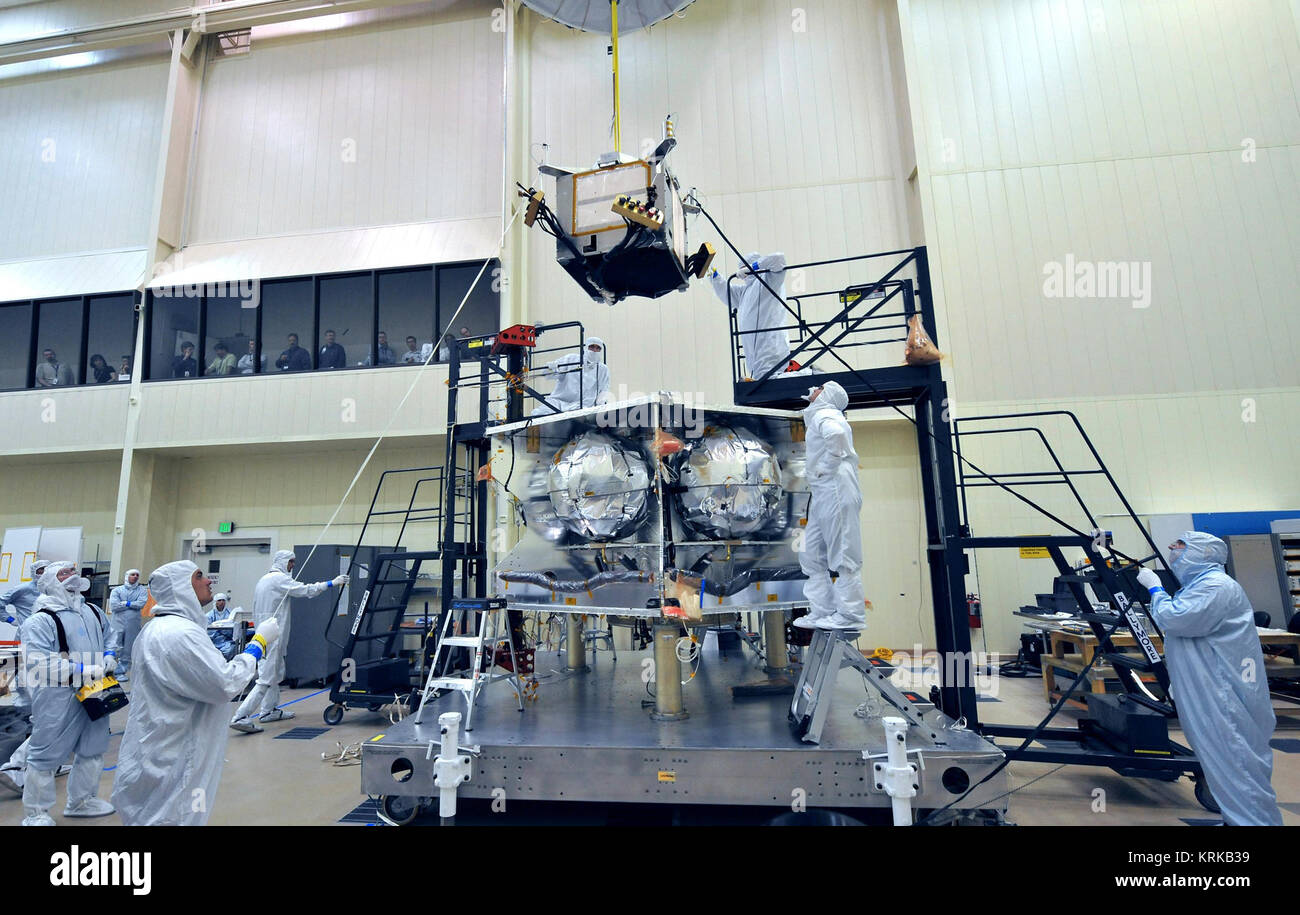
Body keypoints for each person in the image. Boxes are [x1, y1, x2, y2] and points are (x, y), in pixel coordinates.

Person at [111, 561, 280, 826]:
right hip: (176, 751)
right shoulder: (180, 634)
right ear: (180, 587)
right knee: (173, 815)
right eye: (199, 576)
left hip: (158, 744)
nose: (208, 581)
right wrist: (258, 643)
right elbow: (224, 684)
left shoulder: (157, 629)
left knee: (152, 812)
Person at [1136, 532, 1283, 826]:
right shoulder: (1201, 585)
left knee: (1236, 762)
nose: (1172, 549)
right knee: (1223, 762)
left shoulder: (1216, 586)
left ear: (1201, 553)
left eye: (1179, 545)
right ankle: (1236, 820)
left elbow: (1176, 619)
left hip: (1223, 695)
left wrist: (1155, 589)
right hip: (1210, 688)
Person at [19, 561, 115, 825]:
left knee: (93, 746)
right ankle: (36, 813)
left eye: (73, 572)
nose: (71, 577)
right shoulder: (41, 619)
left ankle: (82, 801)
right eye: (63, 573)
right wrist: (82, 669)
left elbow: (110, 636)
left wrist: (109, 655)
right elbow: (39, 661)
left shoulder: (93, 611)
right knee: (45, 754)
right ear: (49, 581)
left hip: (96, 687)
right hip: (57, 694)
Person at [230, 551, 347, 732]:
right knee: (267, 678)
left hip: (266, 635)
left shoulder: (264, 580)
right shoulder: (277, 579)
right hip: (272, 637)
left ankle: (269, 711)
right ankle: (240, 716)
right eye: (291, 562)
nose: (293, 565)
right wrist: (331, 583)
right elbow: (305, 590)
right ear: (282, 562)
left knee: (275, 674)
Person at [792, 382, 865, 631]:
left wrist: (827, 467)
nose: (812, 388)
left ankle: (851, 615)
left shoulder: (827, 414)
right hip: (823, 491)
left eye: (820, 386)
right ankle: (821, 610)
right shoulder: (818, 417)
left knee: (844, 553)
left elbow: (837, 436)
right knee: (810, 551)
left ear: (828, 395)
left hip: (837, 488)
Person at [711, 252, 802, 381]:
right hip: (755, 356)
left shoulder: (769, 279)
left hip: (771, 347)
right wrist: (712, 274)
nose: (743, 274)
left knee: (771, 379)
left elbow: (779, 259)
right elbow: (726, 292)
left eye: (745, 268)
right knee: (765, 379)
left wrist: (753, 267)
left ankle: (810, 373)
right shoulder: (745, 292)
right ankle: (808, 373)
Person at [531, 337, 611, 415]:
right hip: (559, 402)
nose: (594, 350)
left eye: (598, 348)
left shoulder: (602, 369)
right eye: (592, 347)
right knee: (540, 413)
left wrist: (600, 409)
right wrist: (551, 368)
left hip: (583, 406)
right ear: (586, 347)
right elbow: (548, 374)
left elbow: (603, 390)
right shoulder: (571, 359)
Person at [107, 569, 147, 681]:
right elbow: (114, 606)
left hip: (133, 624)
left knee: (128, 648)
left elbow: (141, 604)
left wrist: (126, 603)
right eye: (132, 574)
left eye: (137, 575)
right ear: (127, 576)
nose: (135, 577)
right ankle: (109, 669)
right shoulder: (117, 590)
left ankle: (121, 671)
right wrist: (132, 605)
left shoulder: (142, 590)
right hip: (117, 622)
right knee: (115, 644)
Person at [2, 557, 51, 629]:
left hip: (49, 633)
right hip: (26, 633)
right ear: (34, 571)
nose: (44, 572)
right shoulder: (24, 589)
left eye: (47, 569)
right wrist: (10, 620)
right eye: (41, 569)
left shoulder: (56, 589)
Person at [206, 592, 237, 660]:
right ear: (215, 602)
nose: (221, 602)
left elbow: (232, 630)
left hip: (227, 641)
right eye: (219, 600)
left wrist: (221, 630)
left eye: (223, 600)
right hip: (213, 641)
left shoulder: (231, 614)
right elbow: (208, 632)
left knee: (230, 650)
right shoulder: (209, 615)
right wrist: (220, 630)